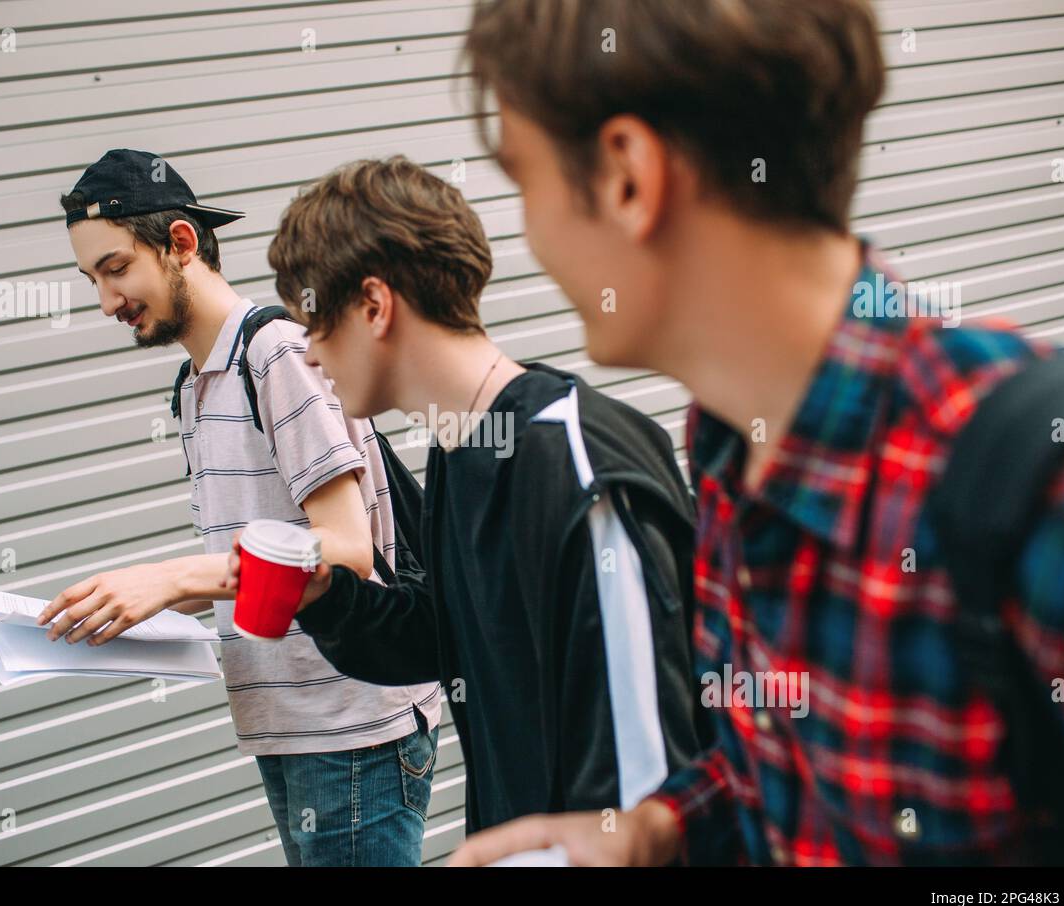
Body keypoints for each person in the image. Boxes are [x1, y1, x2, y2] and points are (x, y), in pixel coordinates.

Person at [448, 0, 1064, 865]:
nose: (530, 236)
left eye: (524, 183)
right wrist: (654, 829)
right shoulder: (729, 446)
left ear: (627, 178)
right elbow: (780, 763)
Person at [224, 155, 713, 837]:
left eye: (315, 327)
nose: (307, 355)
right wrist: (329, 599)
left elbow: (643, 779)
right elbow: (443, 637)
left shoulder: (571, 457)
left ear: (374, 306)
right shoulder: (459, 449)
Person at [41, 149, 442, 866]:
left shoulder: (276, 354)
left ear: (181, 245)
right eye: (91, 279)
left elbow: (345, 550)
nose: (106, 301)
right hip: (285, 722)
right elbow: (255, 567)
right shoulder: (196, 386)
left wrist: (174, 578)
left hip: (348, 727)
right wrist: (126, 611)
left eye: (115, 268)